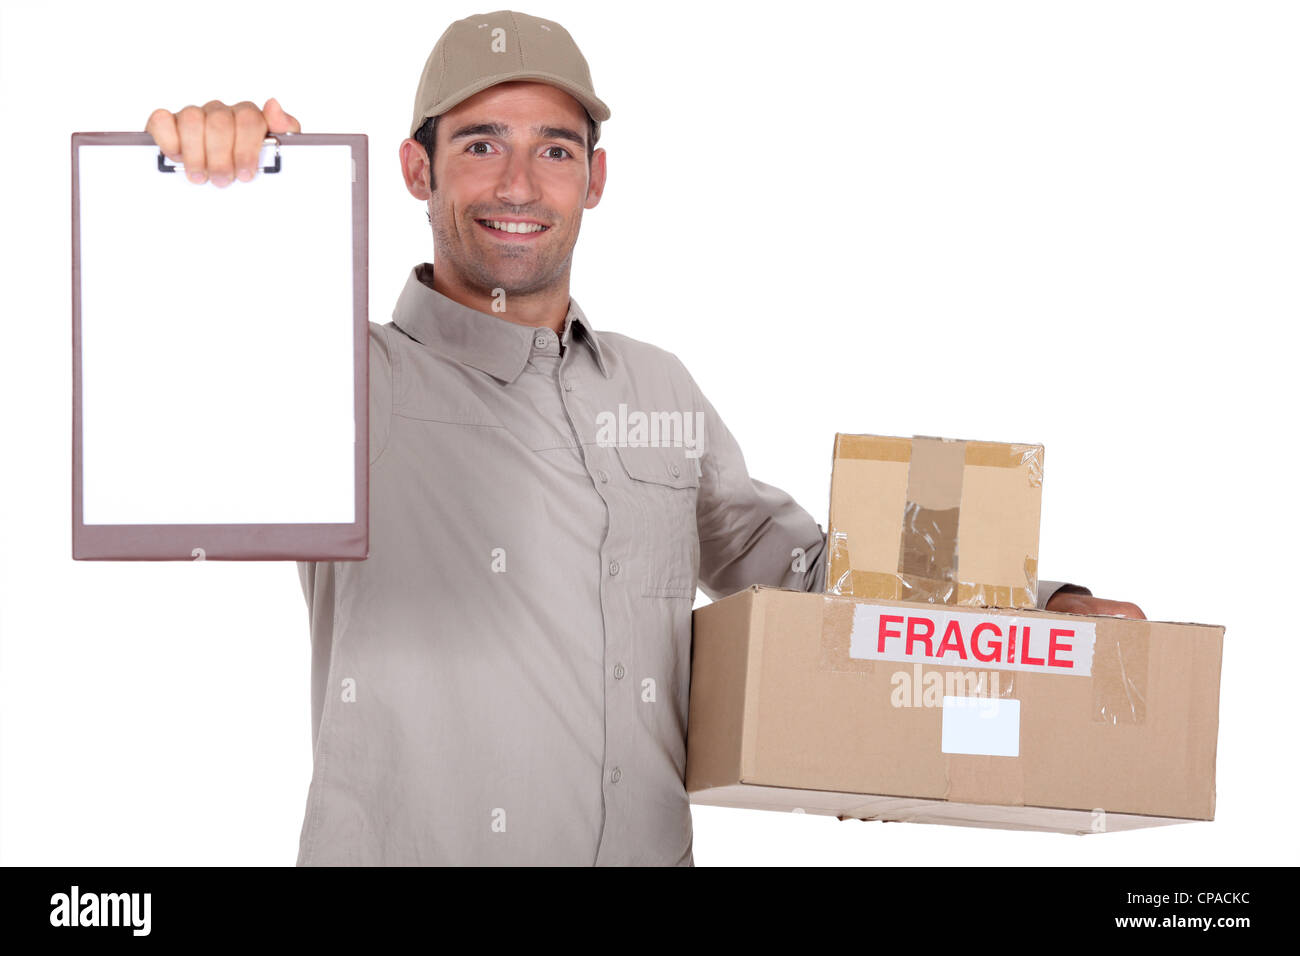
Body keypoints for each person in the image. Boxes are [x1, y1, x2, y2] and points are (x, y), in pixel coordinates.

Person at [145, 9, 1144, 866]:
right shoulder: (343, 378)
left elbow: (798, 570)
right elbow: (181, 367)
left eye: (556, 150)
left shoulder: (656, 383)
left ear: (598, 177)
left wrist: (1037, 607)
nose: (519, 187)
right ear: (417, 167)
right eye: (480, 144)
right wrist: (221, 184)